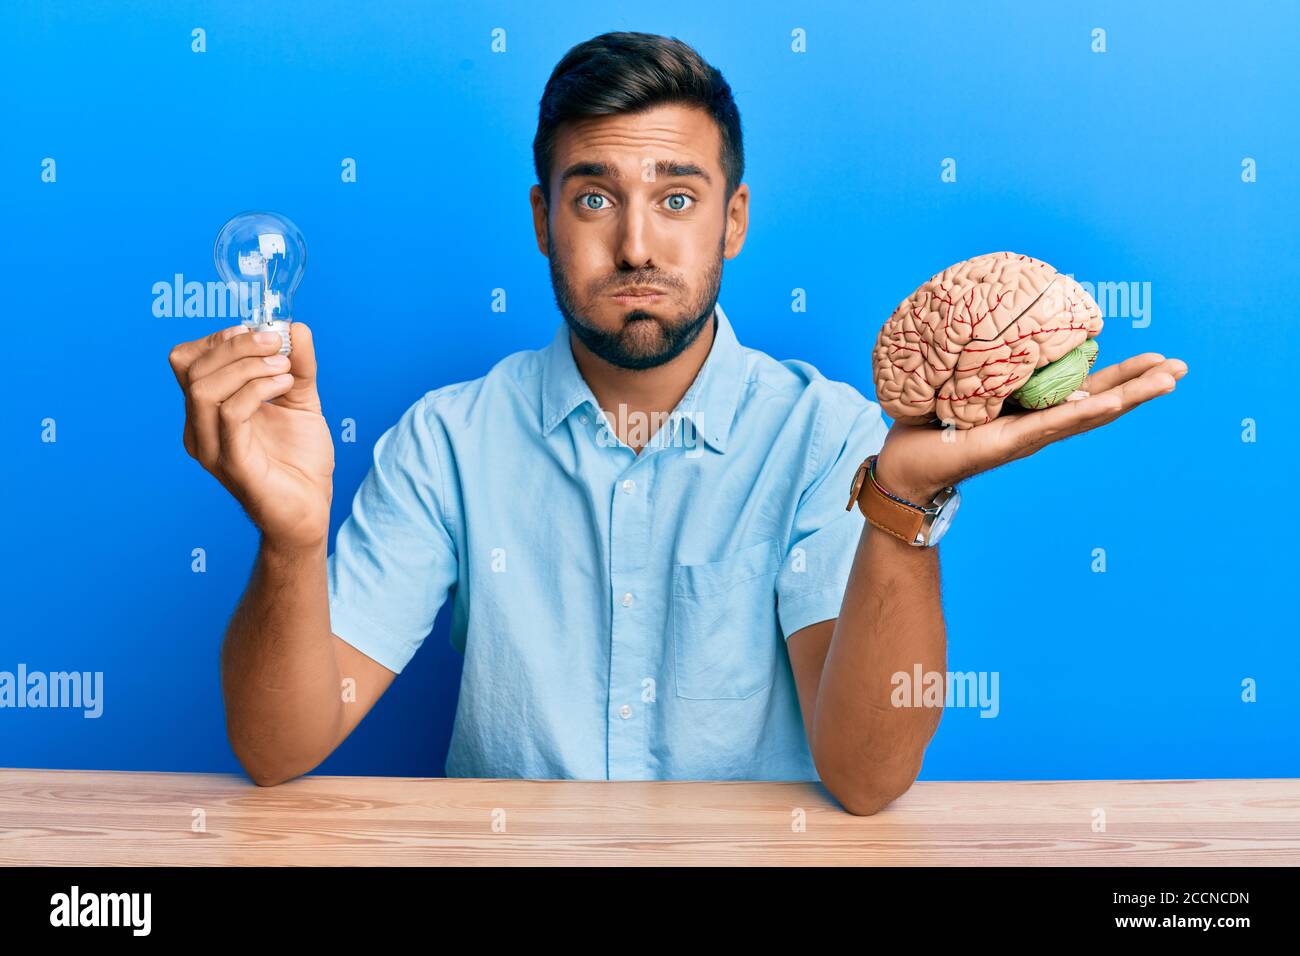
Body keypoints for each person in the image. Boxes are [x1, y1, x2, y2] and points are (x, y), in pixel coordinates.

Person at [167, 31, 1186, 813]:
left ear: (732, 218)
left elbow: (867, 779)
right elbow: (277, 744)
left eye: (678, 196)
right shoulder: (449, 440)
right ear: (541, 220)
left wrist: (902, 498)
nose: (638, 243)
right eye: (595, 198)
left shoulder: (829, 438)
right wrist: (291, 543)